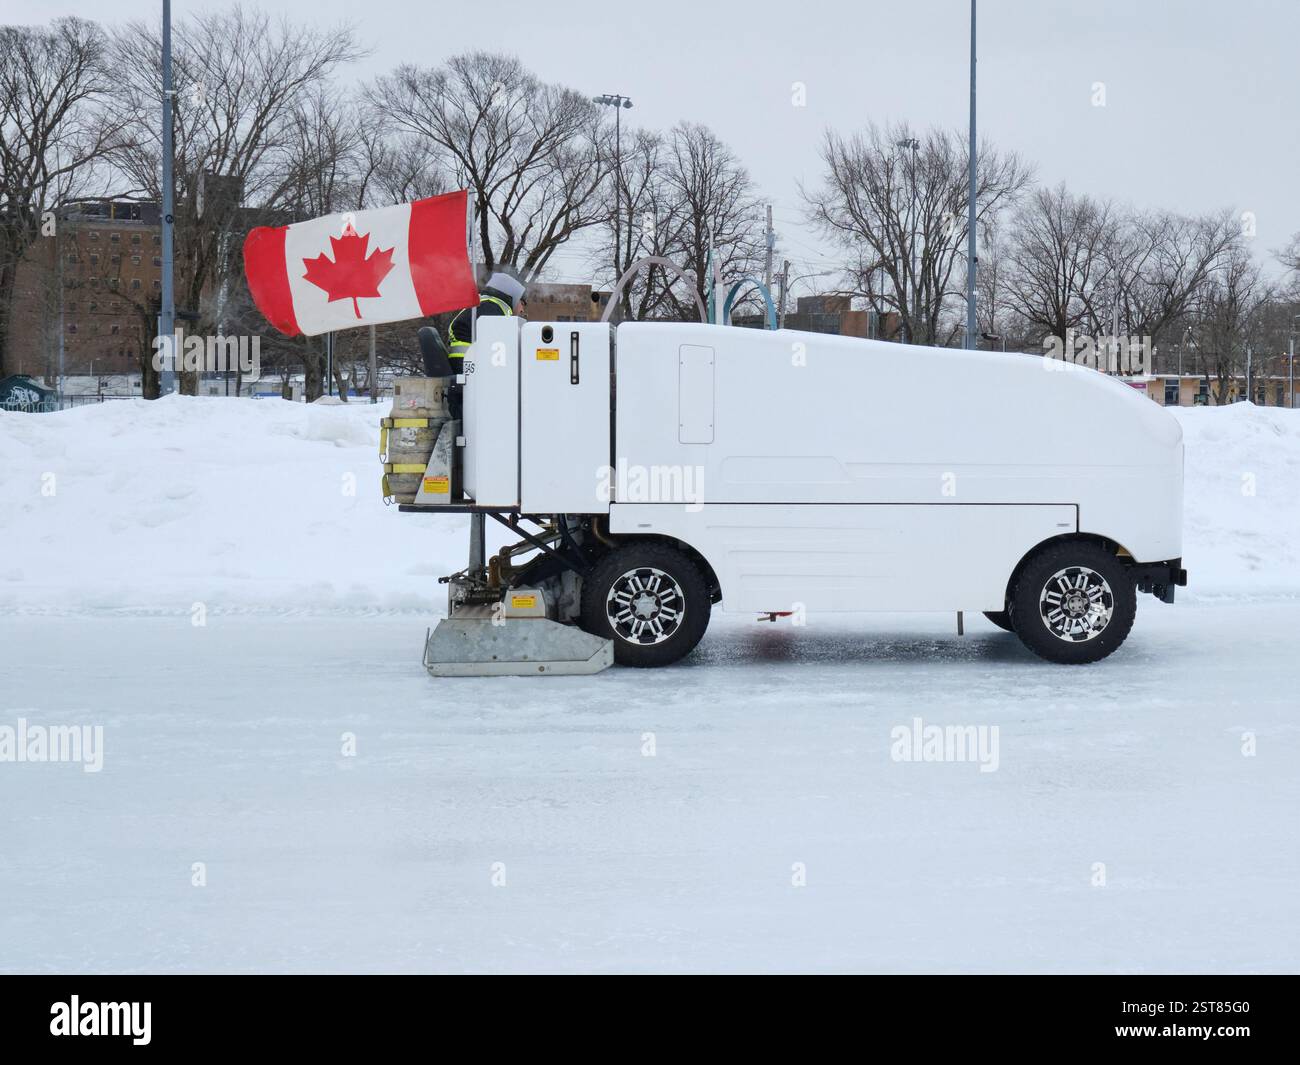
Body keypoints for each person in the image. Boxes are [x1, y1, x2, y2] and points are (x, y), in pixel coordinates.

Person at [446, 270, 527, 366]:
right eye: (522, 304)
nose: (522, 310)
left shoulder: (486, 306)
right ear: (514, 297)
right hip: (469, 365)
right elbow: (500, 344)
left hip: (464, 362)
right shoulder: (492, 309)